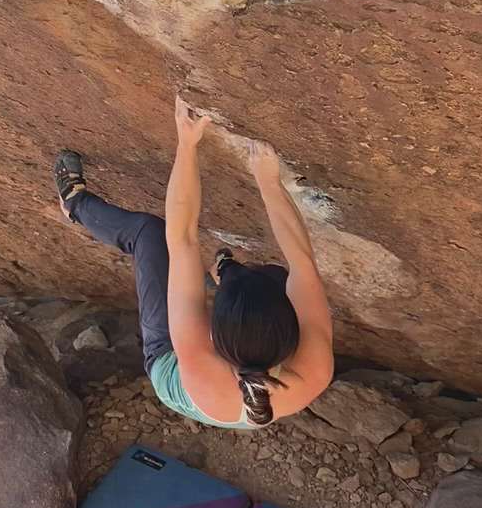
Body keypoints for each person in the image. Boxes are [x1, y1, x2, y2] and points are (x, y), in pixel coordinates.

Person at [54, 96, 334, 429]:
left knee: (150, 233)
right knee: (277, 276)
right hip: (229, 381)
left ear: (213, 330)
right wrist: (269, 182)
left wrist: (187, 145)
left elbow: (181, 237)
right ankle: (225, 275)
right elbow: (302, 263)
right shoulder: (313, 370)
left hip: (170, 364)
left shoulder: (197, 362)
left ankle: (75, 204)